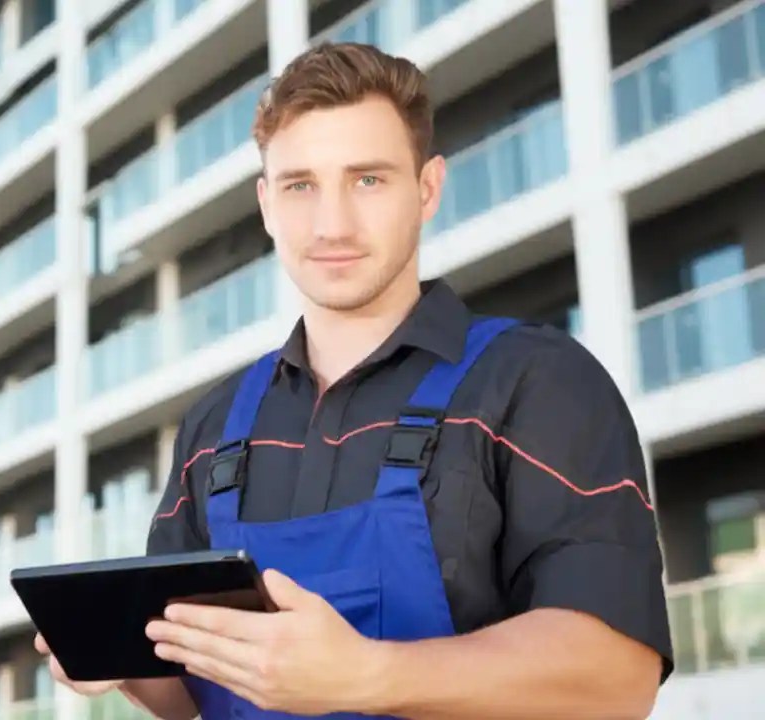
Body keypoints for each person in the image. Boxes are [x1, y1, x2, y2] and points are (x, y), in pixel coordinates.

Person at [34, 41, 671, 719]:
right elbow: (186, 691)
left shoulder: (536, 383)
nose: (331, 223)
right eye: (300, 185)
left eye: (368, 179)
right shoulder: (212, 430)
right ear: (266, 204)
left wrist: (366, 674)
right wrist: (107, 655)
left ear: (427, 190)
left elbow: (616, 676)